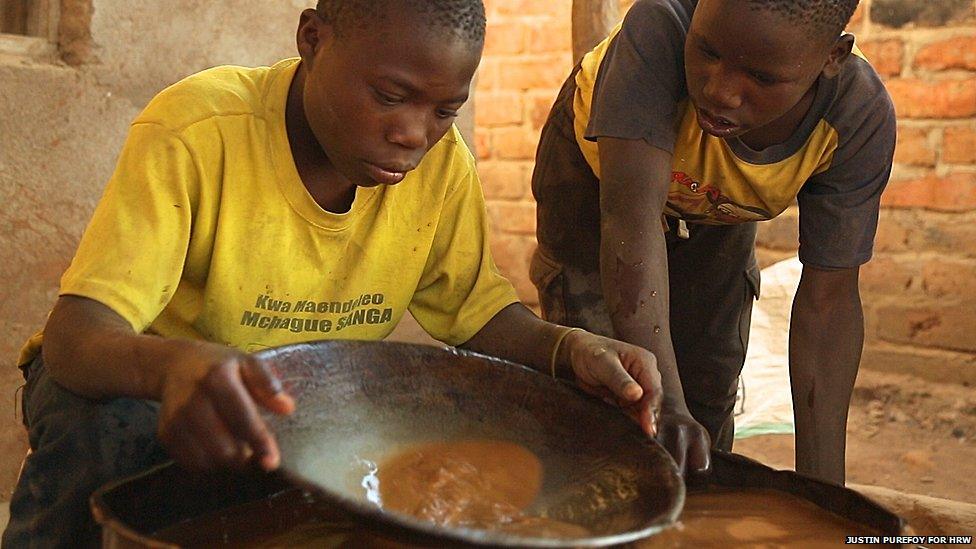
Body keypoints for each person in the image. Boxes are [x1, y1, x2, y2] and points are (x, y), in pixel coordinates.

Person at [3, 1, 665, 546]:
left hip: (301, 404)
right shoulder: (200, 132)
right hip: (141, 385)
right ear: (313, 39)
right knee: (101, 439)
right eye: (391, 95)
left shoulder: (439, 168)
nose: (414, 133)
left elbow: (477, 312)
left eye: (444, 110)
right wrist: (175, 366)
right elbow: (75, 338)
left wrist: (568, 347)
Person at [531, 0, 895, 483]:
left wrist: (824, 493)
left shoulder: (857, 117)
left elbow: (828, 304)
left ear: (832, 57)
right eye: (705, 51)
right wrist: (667, 408)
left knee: (709, 380)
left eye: (762, 79)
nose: (719, 92)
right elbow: (629, 220)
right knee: (608, 387)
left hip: (719, 203)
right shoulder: (659, 29)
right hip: (603, 183)